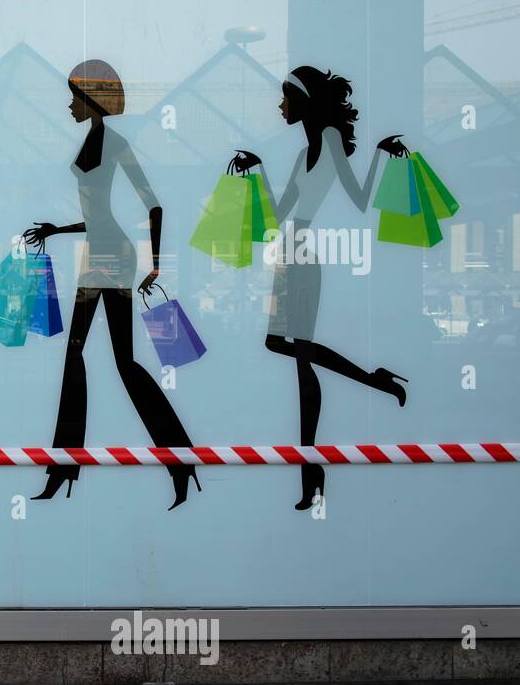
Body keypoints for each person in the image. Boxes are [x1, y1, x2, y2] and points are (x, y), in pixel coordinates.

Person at [24, 60, 200, 510]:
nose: (68, 105)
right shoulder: (94, 140)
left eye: (74, 98)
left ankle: (178, 461)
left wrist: (156, 266)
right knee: (88, 356)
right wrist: (55, 230)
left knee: (119, 361)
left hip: (113, 257)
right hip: (99, 254)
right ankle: (66, 468)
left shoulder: (116, 144)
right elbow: (97, 217)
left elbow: (154, 206)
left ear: (91, 100)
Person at [237, 65, 408, 509]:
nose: (279, 106)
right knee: (280, 344)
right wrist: (256, 171)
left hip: (305, 256)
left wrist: (379, 155)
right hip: (288, 254)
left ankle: (310, 477)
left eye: (285, 98)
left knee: (303, 364)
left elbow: (360, 198)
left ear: (303, 100)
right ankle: (372, 380)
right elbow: (276, 215)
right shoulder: (301, 155)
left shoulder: (329, 142)